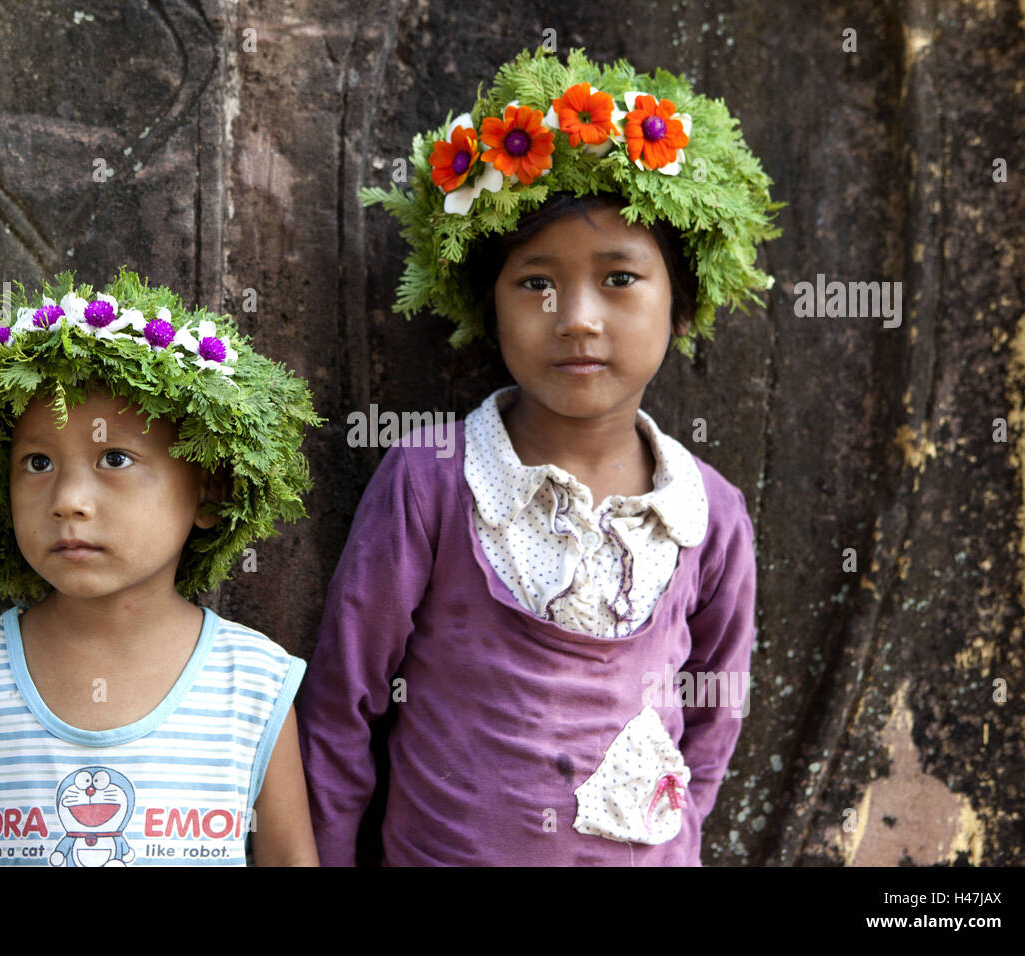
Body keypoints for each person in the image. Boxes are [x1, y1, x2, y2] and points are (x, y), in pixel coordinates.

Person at [299, 48, 784, 865]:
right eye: (536, 284)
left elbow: (713, 712)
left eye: (621, 278)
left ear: (684, 302)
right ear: (487, 304)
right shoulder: (434, 482)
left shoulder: (710, 515)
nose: (578, 319)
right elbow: (342, 705)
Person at [0, 268, 323, 866]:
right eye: (38, 462)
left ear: (208, 490)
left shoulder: (253, 684)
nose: (68, 499)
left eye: (115, 457)